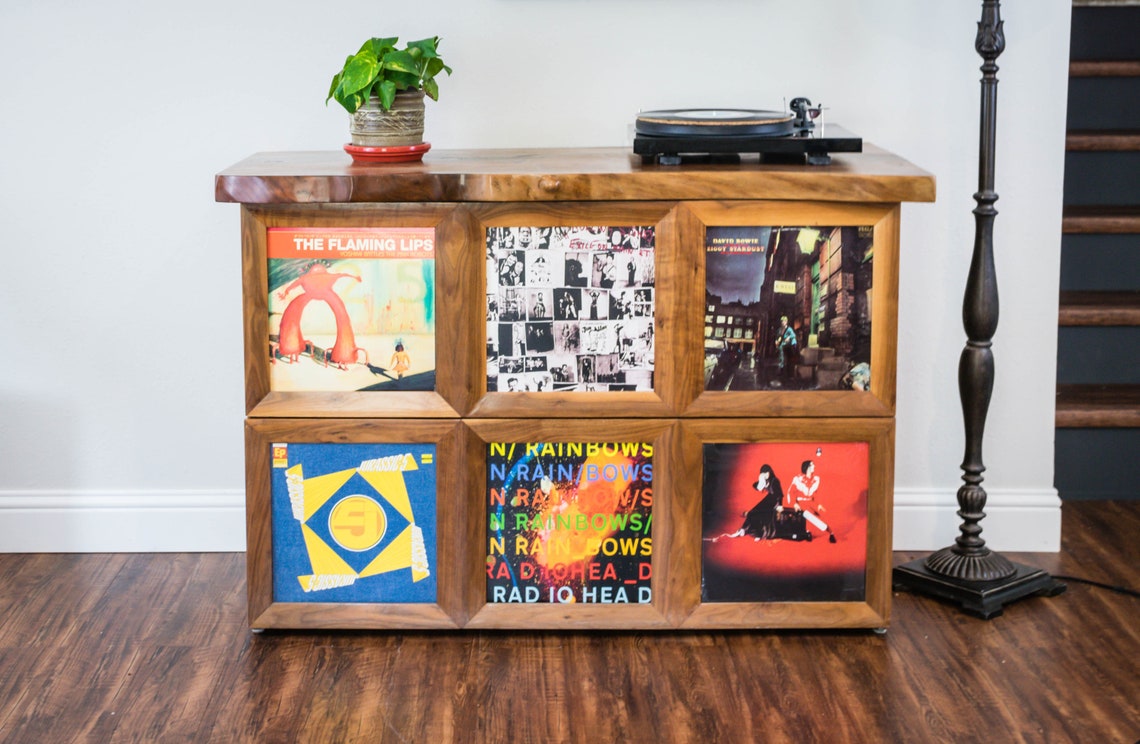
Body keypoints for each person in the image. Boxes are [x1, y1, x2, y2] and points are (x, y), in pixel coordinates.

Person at [710, 464, 782, 542]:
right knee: (753, 514)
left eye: (767, 473)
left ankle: (745, 530)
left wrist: (779, 506)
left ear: (770, 472)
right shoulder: (765, 481)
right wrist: (761, 481)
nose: (766, 475)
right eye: (764, 474)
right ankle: (745, 530)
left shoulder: (775, 481)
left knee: (753, 513)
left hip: (773, 501)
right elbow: (756, 486)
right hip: (769, 500)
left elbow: (779, 494)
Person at [783, 460, 837, 542]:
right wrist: (794, 504)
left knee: (824, 516)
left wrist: (819, 504)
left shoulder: (816, 479)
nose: (814, 466)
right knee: (809, 516)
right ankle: (807, 533)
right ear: (807, 467)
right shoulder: (798, 479)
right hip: (800, 504)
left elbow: (816, 494)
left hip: (811, 503)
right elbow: (790, 492)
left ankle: (831, 533)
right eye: (812, 465)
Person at [774, 315, 797, 385]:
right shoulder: (779, 330)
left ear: (786, 322)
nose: (783, 323)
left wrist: (789, 338)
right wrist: (776, 341)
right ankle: (781, 370)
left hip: (788, 346)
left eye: (784, 321)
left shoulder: (789, 329)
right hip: (781, 346)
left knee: (789, 359)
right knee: (781, 358)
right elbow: (777, 337)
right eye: (782, 321)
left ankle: (789, 374)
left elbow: (793, 335)